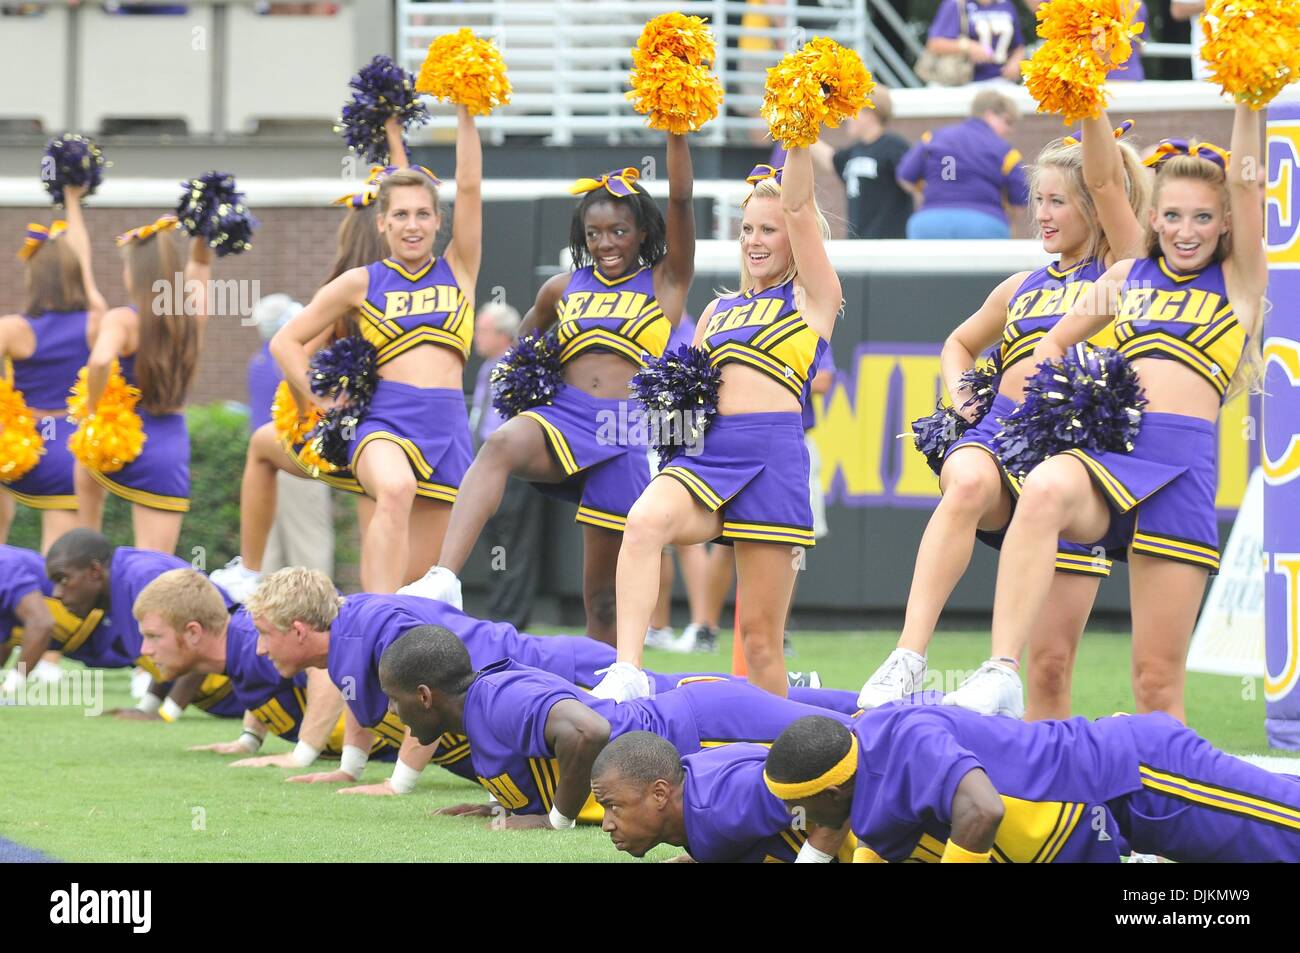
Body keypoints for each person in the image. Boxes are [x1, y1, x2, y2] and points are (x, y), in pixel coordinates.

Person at [949, 104, 1267, 722]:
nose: (1186, 229)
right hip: (1117, 454)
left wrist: (1248, 100)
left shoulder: (1241, 282)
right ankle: (1000, 669)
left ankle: (1167, 811)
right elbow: (1054, 343)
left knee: (1154, 683)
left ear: (1225, 221)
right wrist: (1064, 401)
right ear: (1152, 216)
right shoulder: (1126, 275)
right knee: (1041, 487)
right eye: (1172, 215)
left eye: (1203, 216)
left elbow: (1249, 179)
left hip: (1182, 471)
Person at [858, 109, 1150, 719]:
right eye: (1037, 200)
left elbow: (1108, 185)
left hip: (1074, 452)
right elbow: (957, 343)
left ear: (1095, 209)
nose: (1042, 214)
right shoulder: (1019, 285)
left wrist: (1087, 99)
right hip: (1002, 435)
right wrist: (962, 397)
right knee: (963, 480)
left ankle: (1038, 772)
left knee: (1050, 667)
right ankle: (908, 657)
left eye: (1058, 202)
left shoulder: (1126, 267)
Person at [404, 133, 696, 647]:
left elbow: (680, 199)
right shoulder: (562, 288)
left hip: (623, 430)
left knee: (602, 598)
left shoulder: (665, 281)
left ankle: (606, 697)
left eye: (619, 231)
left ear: (643, 232)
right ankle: (444, 578)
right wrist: (530, 381)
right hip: (565, 415)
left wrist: (675, 131)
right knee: (498, 444)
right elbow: (523, 345)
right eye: (595, 232)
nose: (606, 243)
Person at [245, 567, 847, 796]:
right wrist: (351, 767)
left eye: (267, 633)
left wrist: (398, 783)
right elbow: (371, 696)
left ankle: (821, 696)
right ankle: (802, 695)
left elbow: (422, 694)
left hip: (560, 669)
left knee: (689, 695)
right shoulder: (353, 632)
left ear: (300, 629)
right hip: (542, 669)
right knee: (692, 692)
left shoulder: (366, 632)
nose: (261, 646)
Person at [594, 144, 841, 701]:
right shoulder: (717, 311)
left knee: (758, 643)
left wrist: (798, 135)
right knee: (642, 522)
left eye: (769, 231)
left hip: (773, 457)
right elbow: (690, 394)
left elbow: (801, 209)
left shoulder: (812, 299)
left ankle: (780, 760)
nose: (754, 240)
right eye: (747, 228)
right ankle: (628, 671)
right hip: (709, 452)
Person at [271, 107, 482, 593]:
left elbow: (469, 187)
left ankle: (379, 641)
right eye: (401, 215)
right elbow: (287, 341)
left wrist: (466, 108)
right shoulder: (360, 282)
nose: (413, 225)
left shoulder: (461, 269)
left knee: (419, 585)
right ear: (382, 222)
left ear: (438, 221)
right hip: (385, 420)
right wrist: (319, 402)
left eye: (423, 214)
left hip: (448, 428)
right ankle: (373, 619)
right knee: (395, 488)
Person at [376, 625, 856, 830]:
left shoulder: (496, 698)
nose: (394, 714)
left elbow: (587, 731)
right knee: (851, 722)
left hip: (702, 726)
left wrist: (554, 820)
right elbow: (545, 763)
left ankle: (929, 713)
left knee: (858, 741)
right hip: (691, 725)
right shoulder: (477, 712)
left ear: (424, 695)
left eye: (396, 701)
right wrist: (499, 804)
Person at [210, 128, 403, 602]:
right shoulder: (416, 284)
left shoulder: (346, 291)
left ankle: (252, 571)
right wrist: (395, 139)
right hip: (411, 433)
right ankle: (383, 610)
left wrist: (312, 406)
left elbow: (292, 348)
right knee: (382, 538)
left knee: (262, 446)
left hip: (364, 436)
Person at [763, 709, 1300, 863]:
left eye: (799, 808)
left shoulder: (905, 736)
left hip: (1134, 775)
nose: (799, 821)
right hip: (1104, 829)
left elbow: (982, 809)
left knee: (1288, 833)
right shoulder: (863, 795)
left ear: (831, 792)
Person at [131, 568, 397, 767]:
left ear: (193, 632)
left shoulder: (250, 641)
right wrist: (250, 738)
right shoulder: (240, 645)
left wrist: (302, 755)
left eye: (154, 636)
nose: (145, 650)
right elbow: (262, 681)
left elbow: (326, 668)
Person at [75, 211, 212, 554]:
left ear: (134, 273)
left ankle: (92, 598)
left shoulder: (122, 320)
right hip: (169, 448)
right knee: (155, 568)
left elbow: (101, 359)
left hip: (122, 441)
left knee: (86, 546)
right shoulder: (192, 316)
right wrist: (204, 228)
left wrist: (93, 411)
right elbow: (201, 266)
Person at [36, 528, 242, 720]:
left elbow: (205, 637)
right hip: (225, 699)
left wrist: (168, 713)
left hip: (243, 688)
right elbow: (167, 651)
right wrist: (148, 707)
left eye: (62, 579)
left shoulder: (143, 576)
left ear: (94, 571)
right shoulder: (121, 583)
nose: (56, 594)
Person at [0, 187, 106, 551]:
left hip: (14, 446)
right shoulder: (96, 322)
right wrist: (72, 201)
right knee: (61, 562)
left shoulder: (12, 329)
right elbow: (86, 265)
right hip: (70, 450)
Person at [590, 732, 852, 862]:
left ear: (659, 793)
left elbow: (842, 788)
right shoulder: (697, 801)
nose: (606, 824)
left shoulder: (726, 805)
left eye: (613, 806)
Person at [242, 294, 333, 577]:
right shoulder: (291, 361)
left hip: (265, 464)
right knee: (309, 546)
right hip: (294, 459)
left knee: (270, 553)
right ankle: (321, 611)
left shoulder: (257, 362)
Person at [467, 302, 543, 629]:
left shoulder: (519, 367)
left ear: (502, 335)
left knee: (514, 544)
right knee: (494, 540)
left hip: (513, 465)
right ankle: (498, 613)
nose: (474, 338)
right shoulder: (487, 368)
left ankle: (511, 620)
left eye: (481, 331)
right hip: (486, 461)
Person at [897, 90, 1029, 240]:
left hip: (928, 223)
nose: (1010, 130)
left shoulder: (932, 138)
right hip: (984, 224)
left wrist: (927, 194)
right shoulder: (1006, 151)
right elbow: (1020, 203)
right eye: (1007, 122)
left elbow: (905, 177)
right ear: (989, 115)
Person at [830, 90, 913, 239]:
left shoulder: (894, 147)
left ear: (869, 113)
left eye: (853, 110)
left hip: (889, 242)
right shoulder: (854, 150)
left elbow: (913, 183)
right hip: (858, 241)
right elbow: (832, 160)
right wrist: (804, 135)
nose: (847, 117)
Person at [925, 0, 1025, 86]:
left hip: (1002, 79)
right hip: (964, 81)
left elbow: (1018, 45)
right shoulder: (957, 4)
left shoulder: (1005, 4)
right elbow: (934, 44)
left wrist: (1015, 62)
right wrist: (968, 46)